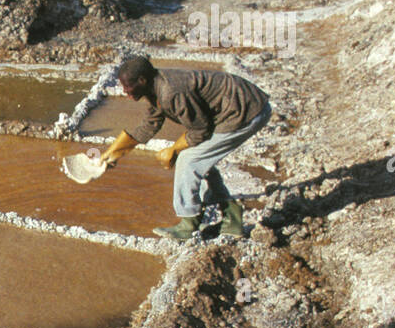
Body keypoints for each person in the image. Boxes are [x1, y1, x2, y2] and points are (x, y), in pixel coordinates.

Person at [98, 56, 271, 240]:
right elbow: (150, 124)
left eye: (127, 86)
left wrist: (173, 150)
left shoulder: (171, 92)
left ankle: (189, 223)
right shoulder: (155, 87)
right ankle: (232, 217)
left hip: (245, 111)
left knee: (189, 160)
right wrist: (114, 153)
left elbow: (200, 130)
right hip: (236, 107)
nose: (125, 92)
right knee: (201, 158)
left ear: (142, 80)